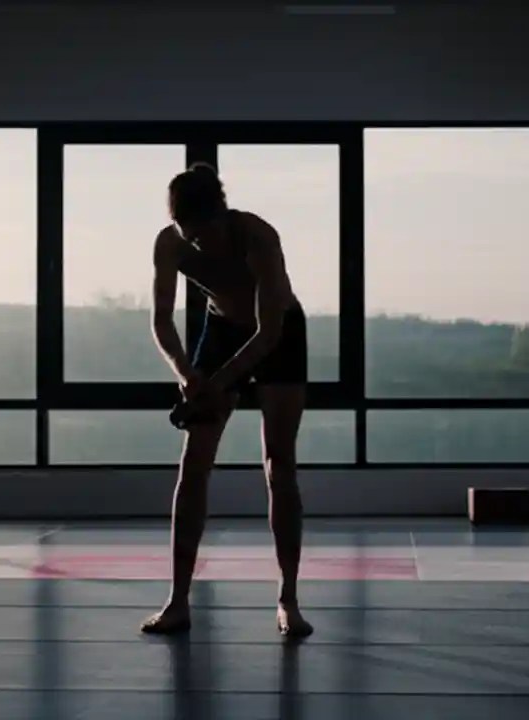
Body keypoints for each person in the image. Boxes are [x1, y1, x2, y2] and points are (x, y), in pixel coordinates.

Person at [141, 162, 314, 638]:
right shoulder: (170, 244)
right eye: (189, 236)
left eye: (205, 235)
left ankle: (289, 599)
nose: (198, 245)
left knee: (279, 464)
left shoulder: (258, 236)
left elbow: (268, 333)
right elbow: (161, 321)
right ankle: (177, 601)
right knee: (193, 464)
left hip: (278, 333)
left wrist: (216, 384)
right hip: (220, 330)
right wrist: (186, 375)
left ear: (222, 215)